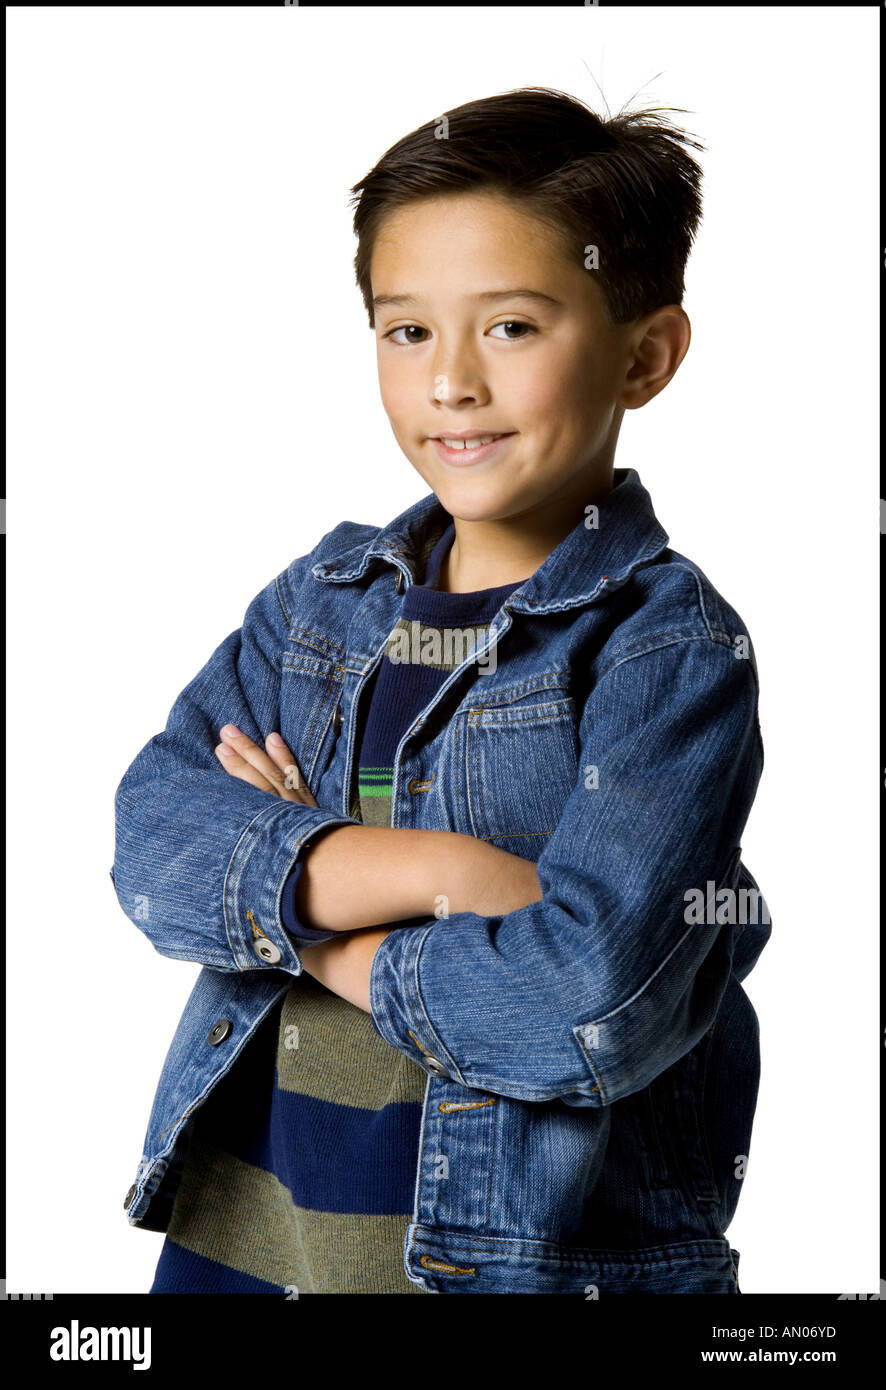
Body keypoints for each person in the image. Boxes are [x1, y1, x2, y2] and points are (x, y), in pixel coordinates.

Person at [111, 86, 771, 1295]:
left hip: (506, 1266)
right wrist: (440, 874)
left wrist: (303, 926)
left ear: (645, 353)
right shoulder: (323, 602)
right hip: (245, 1247)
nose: (450, 384)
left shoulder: (662, 653)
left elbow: (586, 1004)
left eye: (511, 327)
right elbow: (155, 848)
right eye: (405, 330)